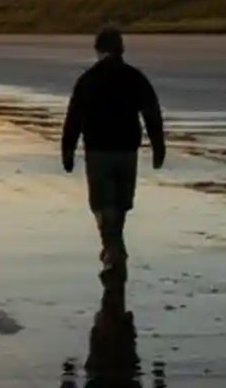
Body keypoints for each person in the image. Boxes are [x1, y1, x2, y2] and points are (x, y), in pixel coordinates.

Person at [61, 29, 166, 275]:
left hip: (98, 149)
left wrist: (68, 150)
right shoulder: (135, 77)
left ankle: (112, 249)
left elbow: (74, 118)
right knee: (120, 202)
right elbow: (152, 113)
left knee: (102, 203)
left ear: (98, 50)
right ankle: (115, 247)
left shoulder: (88, 79)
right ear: (121, 49)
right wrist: (158, 146)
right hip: (127, 149)